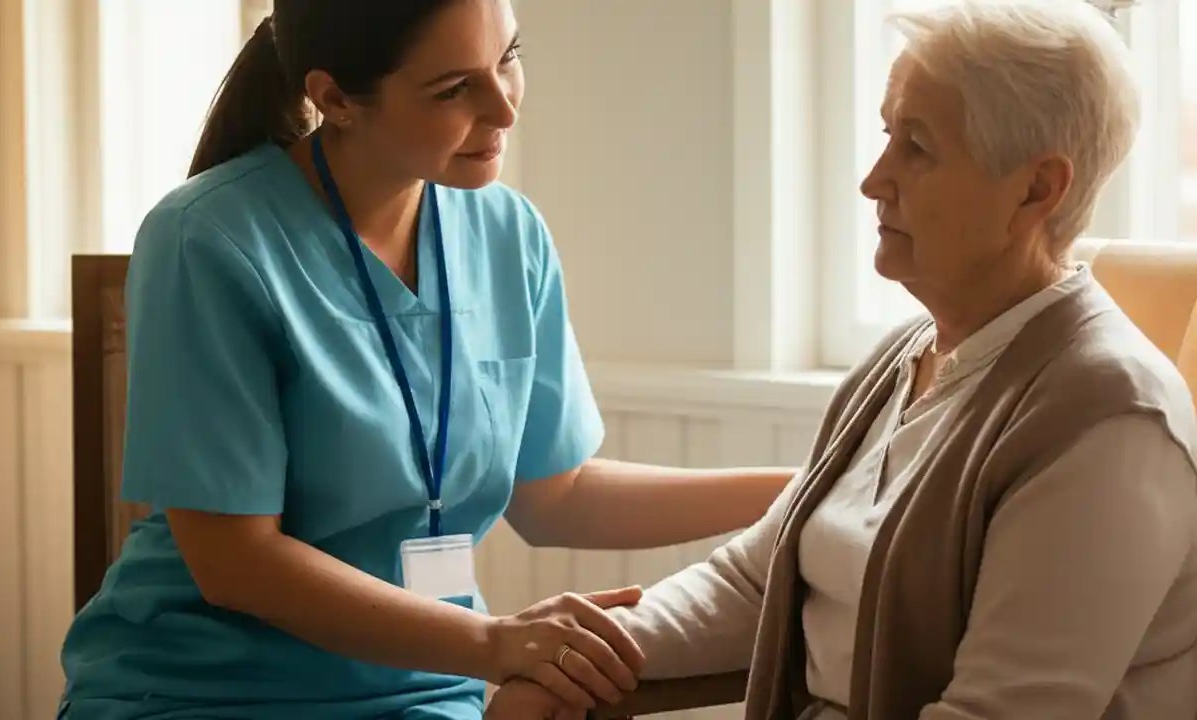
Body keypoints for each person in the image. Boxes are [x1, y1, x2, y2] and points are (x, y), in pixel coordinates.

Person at [55, 1, 795, 718]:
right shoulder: (206, 239)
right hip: (203, 691)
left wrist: (812, 486)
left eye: (508, 58)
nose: (505, 109)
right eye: (453, 88)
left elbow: (554, 494)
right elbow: (234, 562)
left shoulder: (510, 232)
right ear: (336, 99)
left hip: (428, 689)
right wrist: (493, 643)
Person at [489, 0, 1197, 718]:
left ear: (1037, 188)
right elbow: (756, 583)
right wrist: (572, 654)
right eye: (888, 135)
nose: (874, 179)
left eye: (917, 148)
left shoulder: (1109, 422)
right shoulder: (909, 357)